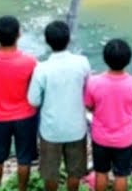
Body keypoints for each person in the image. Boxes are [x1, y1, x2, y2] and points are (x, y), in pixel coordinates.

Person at [28, 20, 92, 191]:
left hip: (51, 130)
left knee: (50, 172)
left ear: (47, 42)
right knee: (75, 172)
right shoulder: (82, 63)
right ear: (69, 39)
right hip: (76, 128)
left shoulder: (42, 69)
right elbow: (88, 90)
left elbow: (33, 100)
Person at [0, 16, 39, 191]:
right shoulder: (29, 62)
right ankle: (22, 189)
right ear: (19, 35)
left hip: (0, 116)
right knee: (24, 158)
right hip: (26, 115)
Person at [84, 39, 132, 191]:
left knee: (101, 173)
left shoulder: (93, 82)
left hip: (100, 137)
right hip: (125, 138)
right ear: (128, 60)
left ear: (105, 58)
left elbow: (89, 105)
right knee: (121, 175)